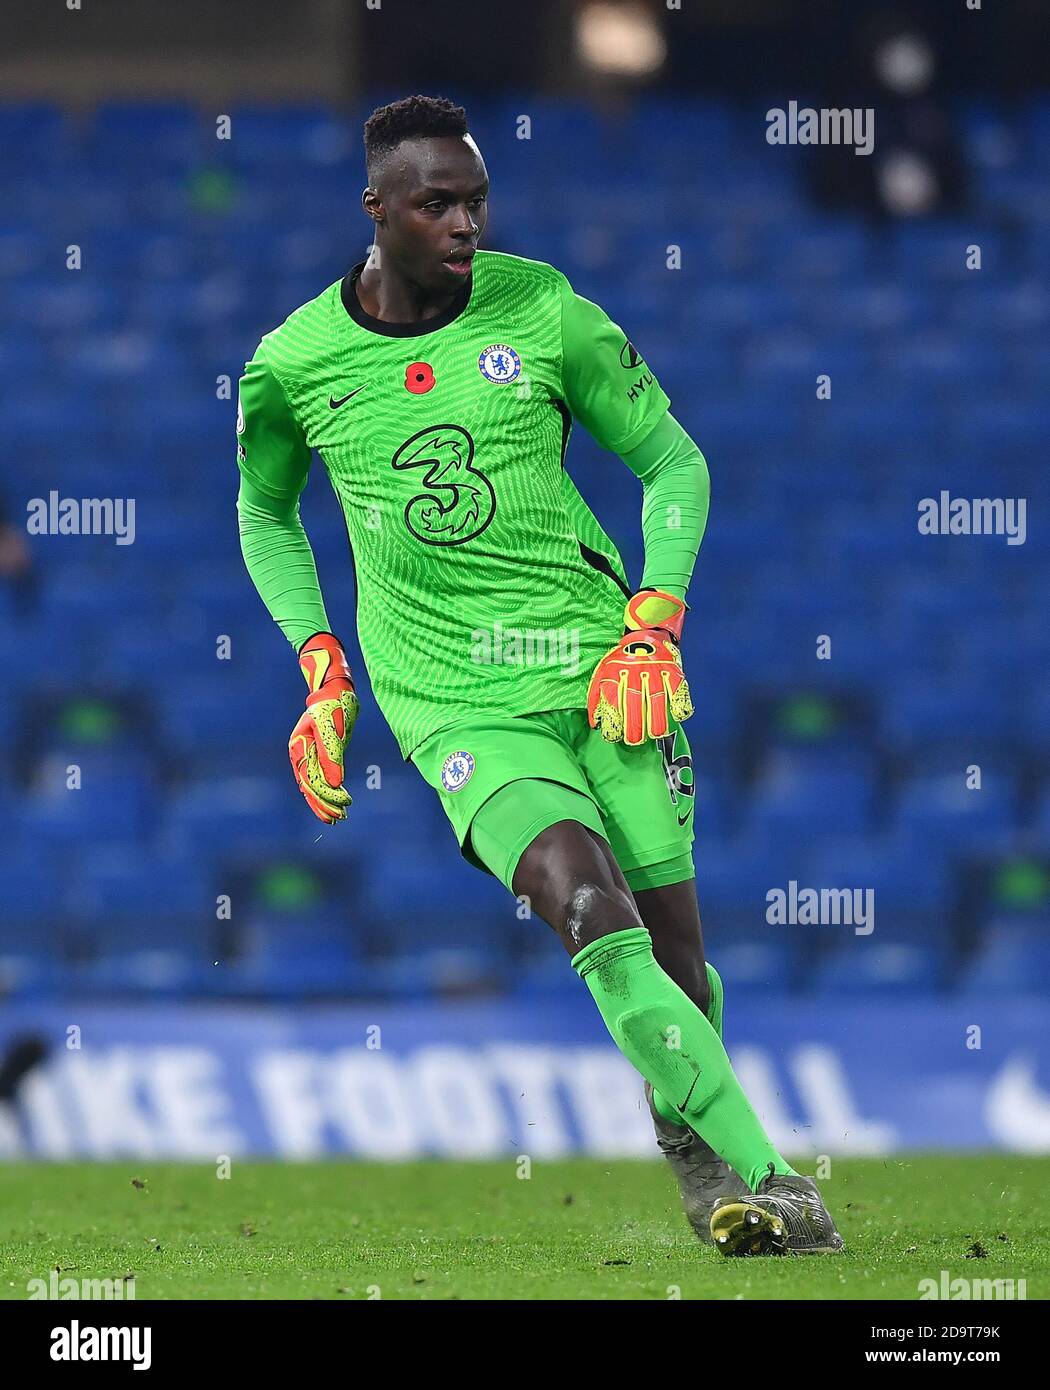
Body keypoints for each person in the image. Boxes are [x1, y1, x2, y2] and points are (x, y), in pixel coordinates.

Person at [236, 94, 842, 1255]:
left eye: (474, 200)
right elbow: (265, 512)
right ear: (377, 212)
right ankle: (777, 1177)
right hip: (452, 698)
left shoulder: (544, 307)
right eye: (437, 204)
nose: (466, 224)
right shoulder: (293, 363)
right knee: (582, 903)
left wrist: (653, 620)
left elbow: (672, 459)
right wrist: (319, 664)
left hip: (606, 671)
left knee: (678, 960)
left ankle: (702, 1161)